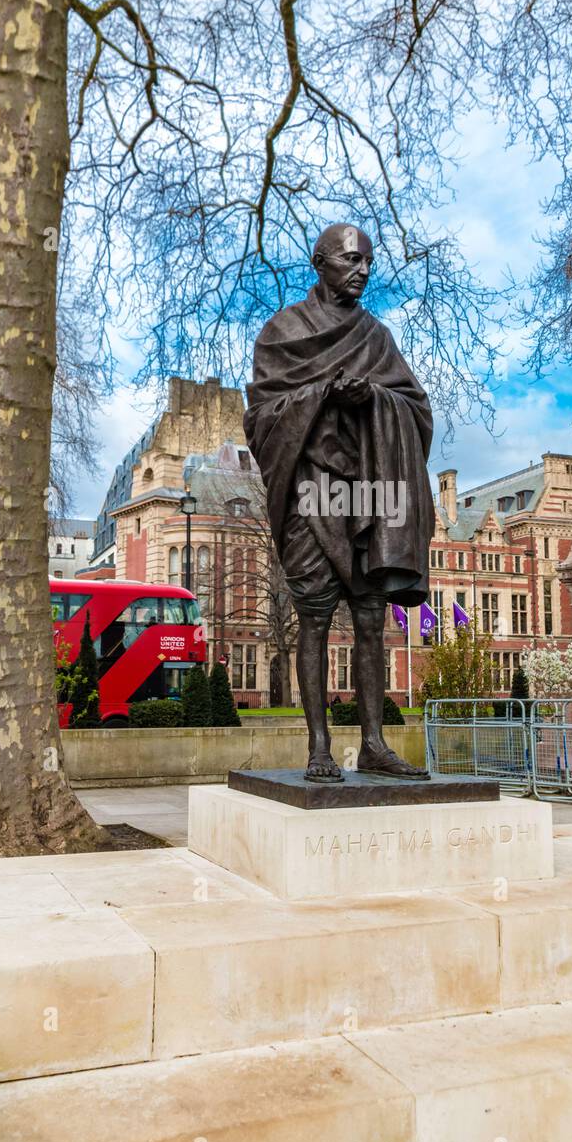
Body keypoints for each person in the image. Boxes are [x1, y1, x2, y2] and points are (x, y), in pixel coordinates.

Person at [244, 223, 434, 781]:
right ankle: (319, 748)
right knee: (314, 617)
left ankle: (374, 742)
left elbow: (415, 408)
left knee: (373, 620)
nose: (363, 270)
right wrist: (322, 393)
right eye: (352, 260)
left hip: (368, 496)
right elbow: (259, 416)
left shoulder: (376, 336)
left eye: (368, 262)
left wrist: (372, 395)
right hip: (312, 490)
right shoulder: (283, 332)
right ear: (320, 262)